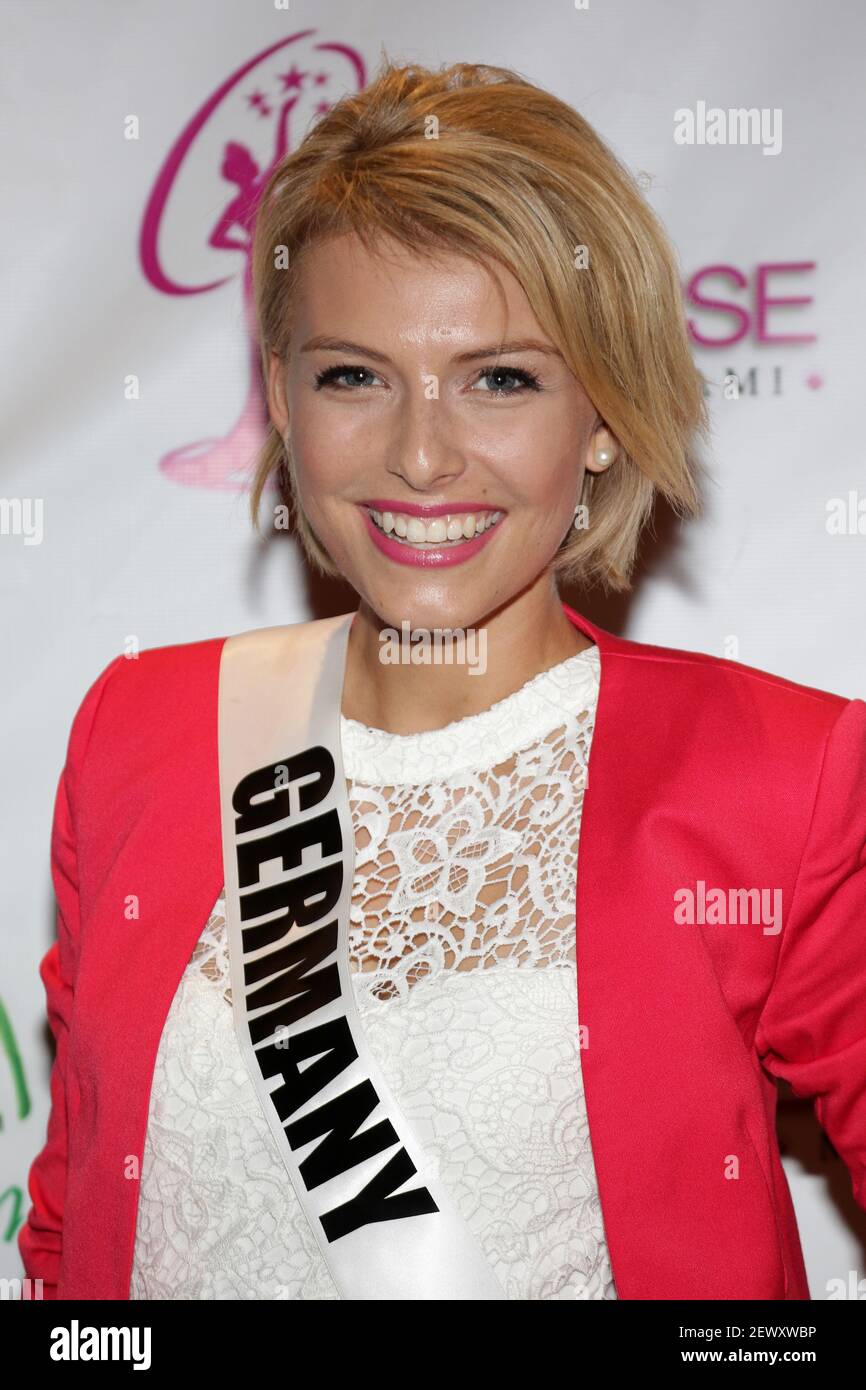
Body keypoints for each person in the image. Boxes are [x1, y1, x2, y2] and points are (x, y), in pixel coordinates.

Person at [19, 59, 866, 1302]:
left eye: (500, 379)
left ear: (601, 415)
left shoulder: (776, 777)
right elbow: (74, 1219)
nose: (421, 456)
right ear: (281, 399)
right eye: (352, 375)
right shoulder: (139, 729)